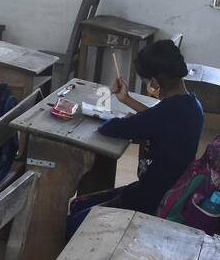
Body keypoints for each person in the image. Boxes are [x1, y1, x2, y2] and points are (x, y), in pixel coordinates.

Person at [67, 39, 204, 235]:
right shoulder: (191, 104)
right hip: (168, 190)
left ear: (155, 82)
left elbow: (110, 128)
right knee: (80, 205)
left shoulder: (166, 113)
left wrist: (110, 102)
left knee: (74, 224)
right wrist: (126, 99)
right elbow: (159, 119)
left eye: (148, 82)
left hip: (153, 201)